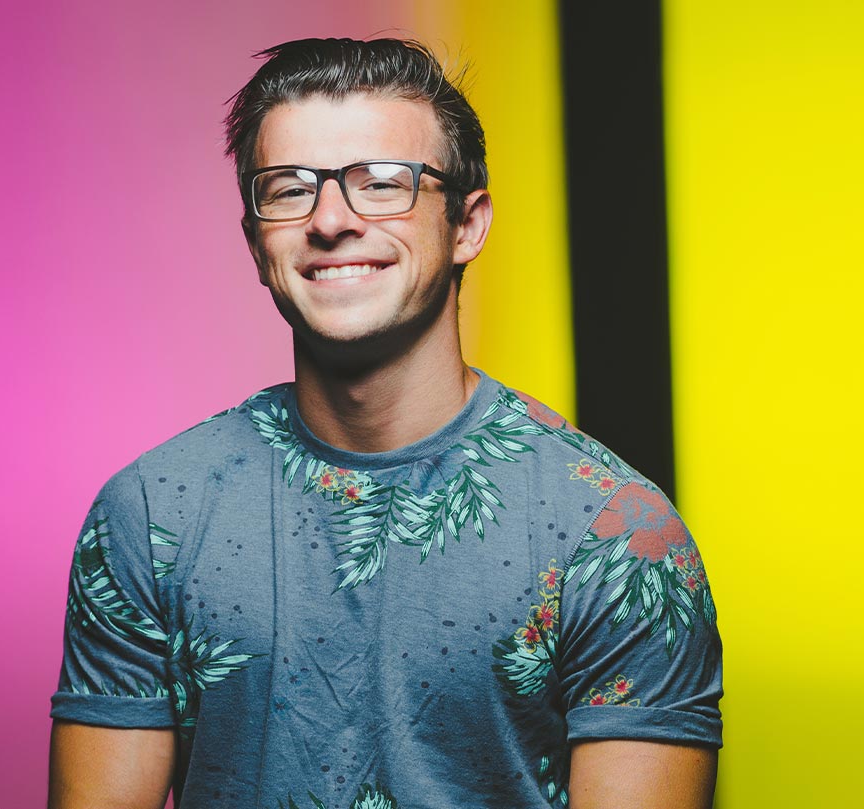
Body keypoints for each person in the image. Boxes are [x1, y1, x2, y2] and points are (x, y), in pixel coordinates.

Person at [49, 37, 721, 809]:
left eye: (382, 183)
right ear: (255, 242)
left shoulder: (614, 535)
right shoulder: (151, 511)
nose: (331, 219)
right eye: (290, 188)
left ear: (467, 223)